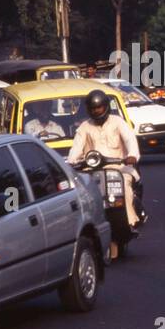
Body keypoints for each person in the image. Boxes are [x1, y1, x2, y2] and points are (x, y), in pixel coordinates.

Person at [68, 89, 144, 228]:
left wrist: (132, 155)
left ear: (106, 106)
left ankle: (130, 222)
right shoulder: (84, 127)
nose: (96, 111)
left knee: (124, 188)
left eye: (99, 107)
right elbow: (76, 150)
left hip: (119, 168)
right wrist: (70, 163)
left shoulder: (118, 122)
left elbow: (130, 140)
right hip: (92, 172)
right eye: (93, 108)